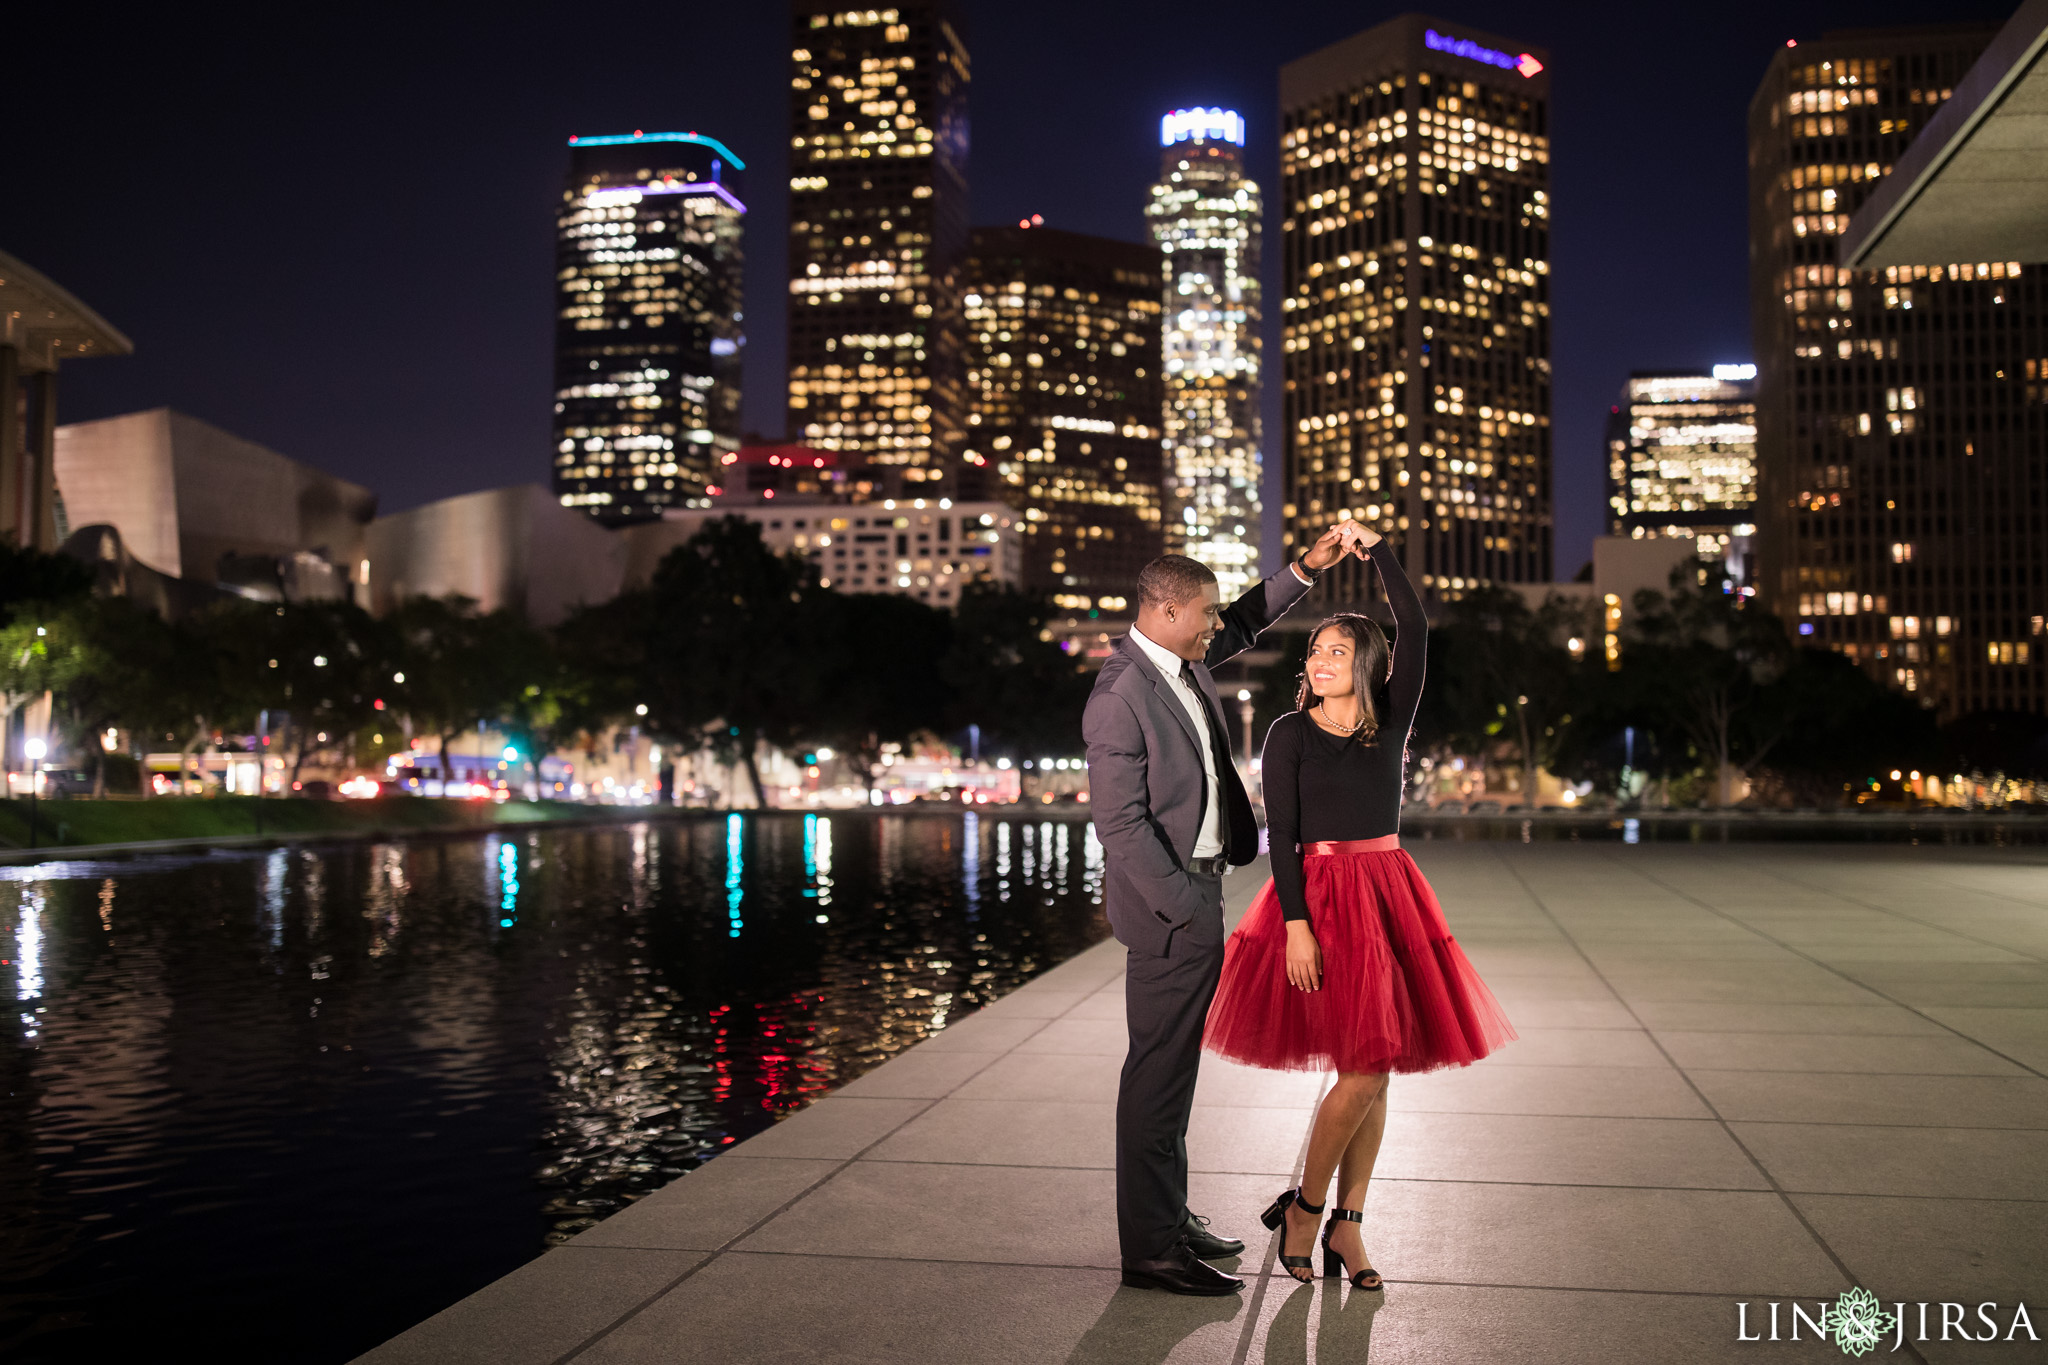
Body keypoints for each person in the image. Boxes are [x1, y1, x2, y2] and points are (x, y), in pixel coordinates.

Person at [1203, 523, 1517, 1293]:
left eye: (1336, 650)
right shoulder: (1287, 735)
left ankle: (1348, 1222)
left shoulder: (1391, 721)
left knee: (1375, 1067)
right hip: (1321, 900)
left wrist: (1378, 551)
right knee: (1367, 1066)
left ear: (1368, 665)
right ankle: (1307, 1207)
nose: (1319, 660)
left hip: (1390, 894)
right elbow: (1284, 840)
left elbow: (1413, 622)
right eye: (1315, 652)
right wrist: (1296, 926)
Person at [1084, 525, 1363, 1297]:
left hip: (1197, 888)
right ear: (1167, 609)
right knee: (1157, 1076)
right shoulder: (1119, 694)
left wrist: (1305, 567)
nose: (1215, 625)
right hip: (1168, 907)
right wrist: (1184, 911)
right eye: (1203, 613)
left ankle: (1167, 1217)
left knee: (1173, 1075)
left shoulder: (1182, 660)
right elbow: (1121, 827)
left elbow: (1244, 619)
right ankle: (1150, 1249)